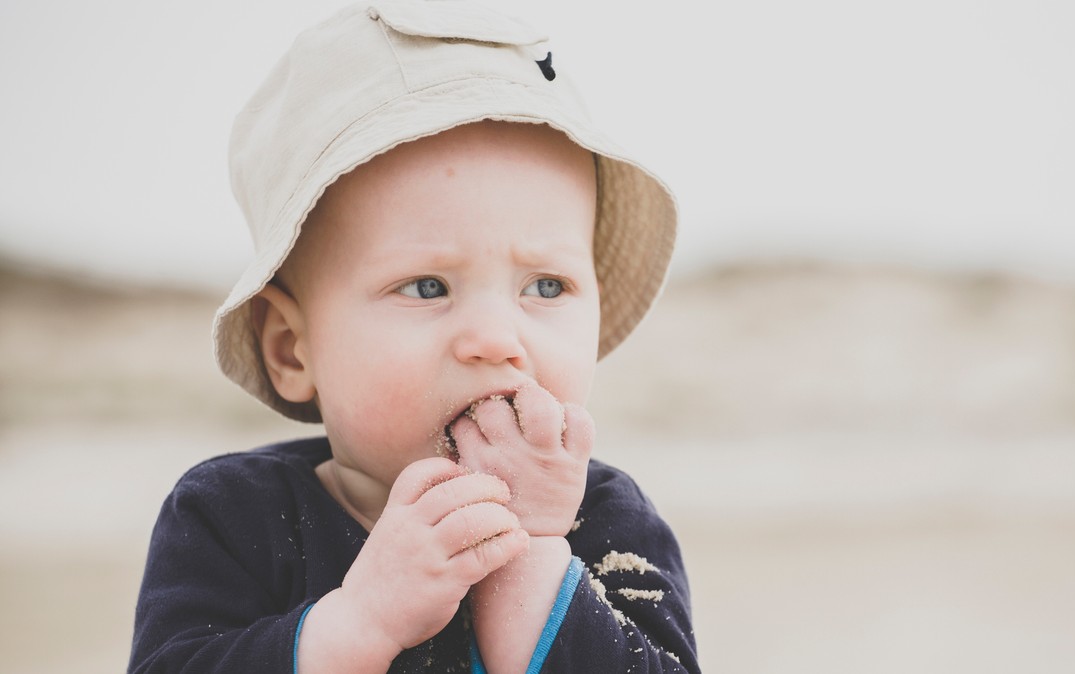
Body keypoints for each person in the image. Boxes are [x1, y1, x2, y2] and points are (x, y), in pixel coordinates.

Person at [128, 1, 697, 673]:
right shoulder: (233, 520)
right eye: (428, 286)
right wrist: (358, 623)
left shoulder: (605, 522)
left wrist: (536, 555)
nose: (495, 339)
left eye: (545, 286)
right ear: (290, 347)